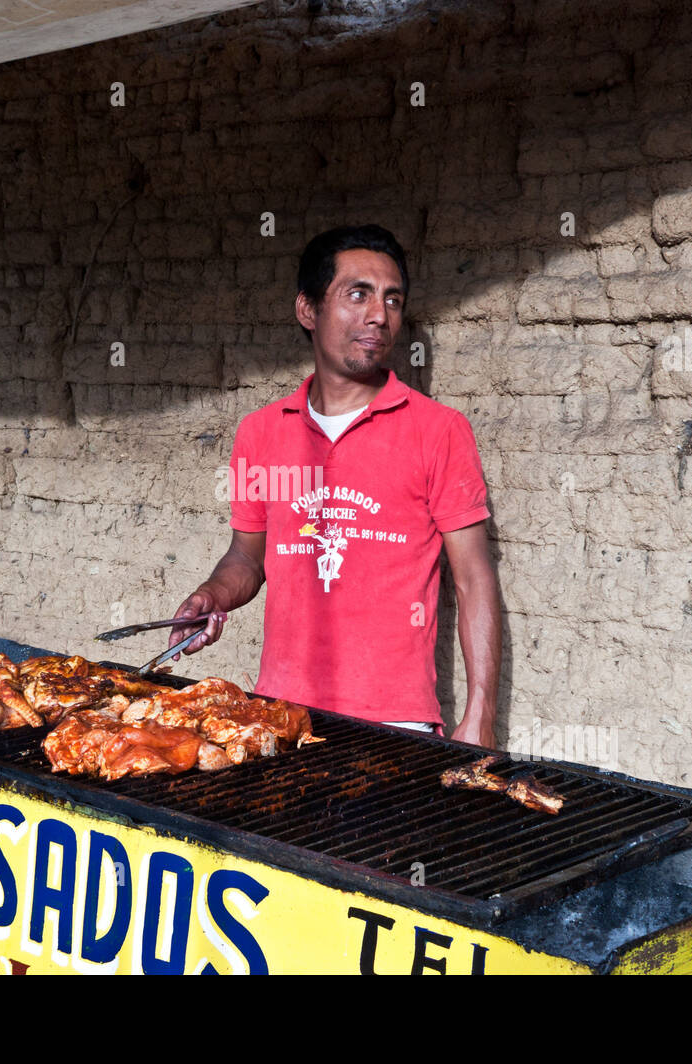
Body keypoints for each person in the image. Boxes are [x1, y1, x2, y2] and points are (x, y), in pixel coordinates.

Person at [168, 224, 502, 745]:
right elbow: (248, 558)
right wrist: (213, 595)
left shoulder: (439, 431)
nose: (379, 315)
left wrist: (479, 712)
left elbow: (474, 579)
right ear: (308, 310)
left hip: (394, 726)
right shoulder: (261, 432)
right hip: (279, 716)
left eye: (393, 300)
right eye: (358, 294)